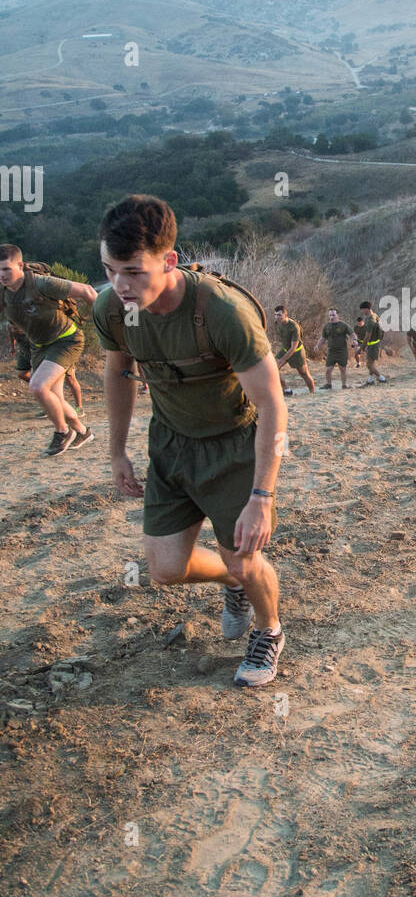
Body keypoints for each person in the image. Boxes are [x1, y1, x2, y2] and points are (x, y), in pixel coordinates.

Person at [93, 194, 287, 688]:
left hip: (234, 445)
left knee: (244, 557)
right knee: (163, 568)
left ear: (169, 260)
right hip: (172, 444)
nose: (121, 284)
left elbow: (271, 405)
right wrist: (117, 451)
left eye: (134, 271)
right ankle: (230, 580)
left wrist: (262, 496)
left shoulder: (221, 312)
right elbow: (117, 374)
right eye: (110, 269)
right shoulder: (115, 310)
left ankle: (269, 629)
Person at [0, 246, 95, 456]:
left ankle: (62, 432)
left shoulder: (41, 283)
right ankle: (81, 432)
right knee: (55, 399)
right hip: (39, 346)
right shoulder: (3, 293)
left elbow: (87, 291)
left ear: (20, 266)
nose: (2, 275)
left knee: (37, 386)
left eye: (6, 269)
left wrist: (109, 326)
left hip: (66, 340)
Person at [273, 304, 315, 395]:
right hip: (285, 349)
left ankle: (312, 392)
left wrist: (281, 361)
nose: (277, 317)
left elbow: (293, 347)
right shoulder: (278, 324)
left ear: (285, 315)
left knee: (304, 374)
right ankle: (286, 390)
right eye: (275, 315)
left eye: (279, 315)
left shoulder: (294, 327)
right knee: (273, 368)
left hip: (297, 352)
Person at [314, 308, 357, 389]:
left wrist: (354, 340)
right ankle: (328, 384)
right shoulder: (327, 326)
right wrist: (317, 345)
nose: (331, 317)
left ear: (337, 315)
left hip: (342, 351)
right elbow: (323, 338)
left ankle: (344, 385)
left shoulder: (343, 325)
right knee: (328, 370)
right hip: (331, 351)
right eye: (330, 315)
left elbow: (352, 334)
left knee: (343, 369)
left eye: (333, 315)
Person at [358, 300, 388, 384]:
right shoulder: (375, 315)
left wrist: (362, 348)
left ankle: (381, 378)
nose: (362, 311)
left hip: (373, 344)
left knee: (369, 365)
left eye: (362, 309)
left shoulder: (370, 320)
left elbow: (367, 336)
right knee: (371, 363)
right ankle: (370, 379)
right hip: (376, 343)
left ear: (367, 309)